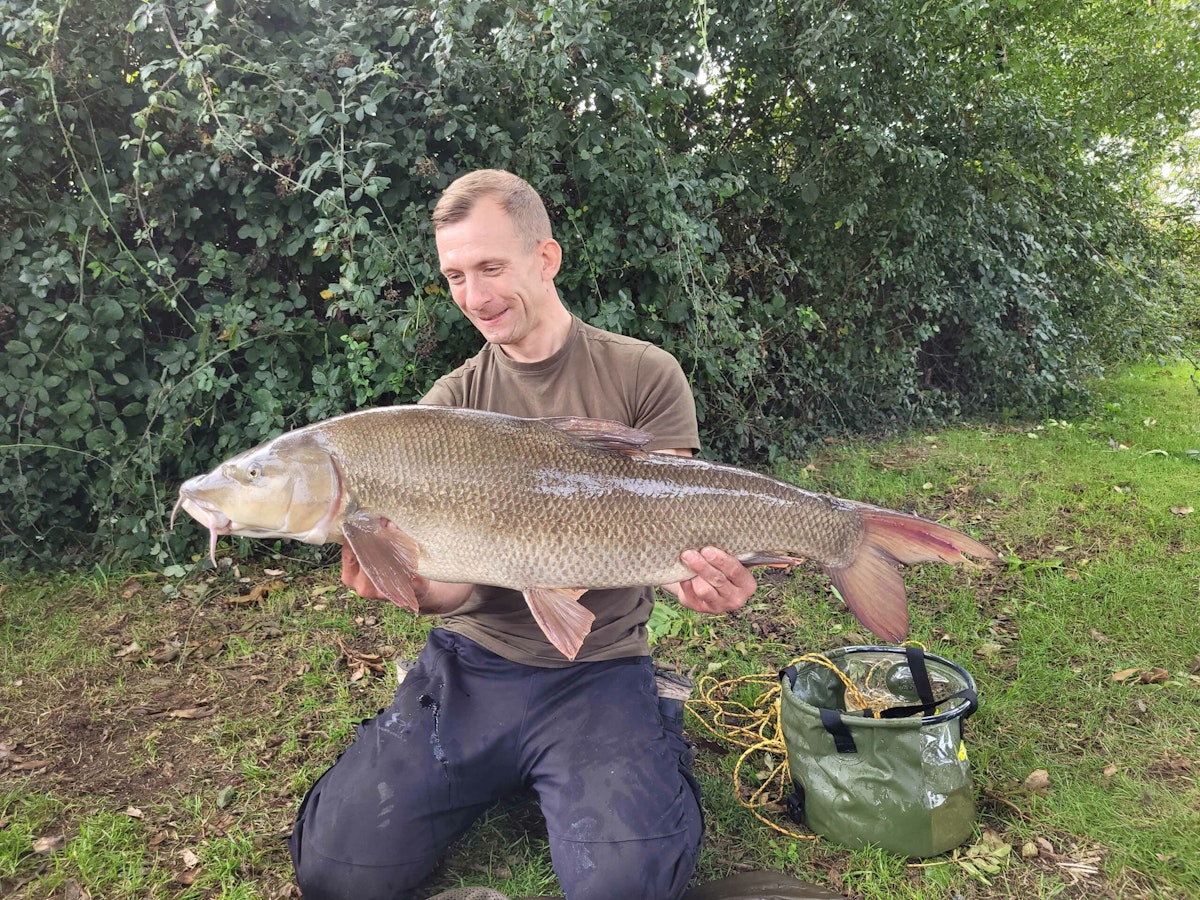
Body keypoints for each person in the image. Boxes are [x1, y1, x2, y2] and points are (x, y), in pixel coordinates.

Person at [288, 169, 757, 900]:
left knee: (627, 884)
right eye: (454, 276)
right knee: (335, 871)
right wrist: (411, 587)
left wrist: (703, 576)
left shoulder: (643, 374)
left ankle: (643, 726)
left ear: (547, 258)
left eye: (491, 267)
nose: (474, 297)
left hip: (598, 665)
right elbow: (459, 586)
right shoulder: (449, 408)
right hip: (475, 663)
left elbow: (673, 514)